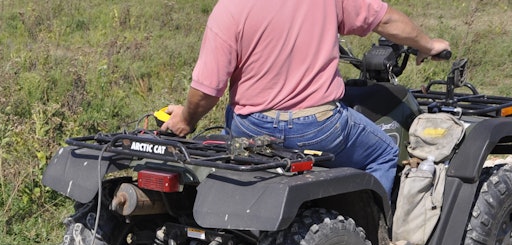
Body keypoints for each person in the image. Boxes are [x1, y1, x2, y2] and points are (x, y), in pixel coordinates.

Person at [160, 0, 450, 195]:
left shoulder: (229, 8)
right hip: (317, 127)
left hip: (251, 128)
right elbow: (384, 19)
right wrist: (428, 44)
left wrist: (187, 118)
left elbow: (208, 89)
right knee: (384, 152)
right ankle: (370, 243)